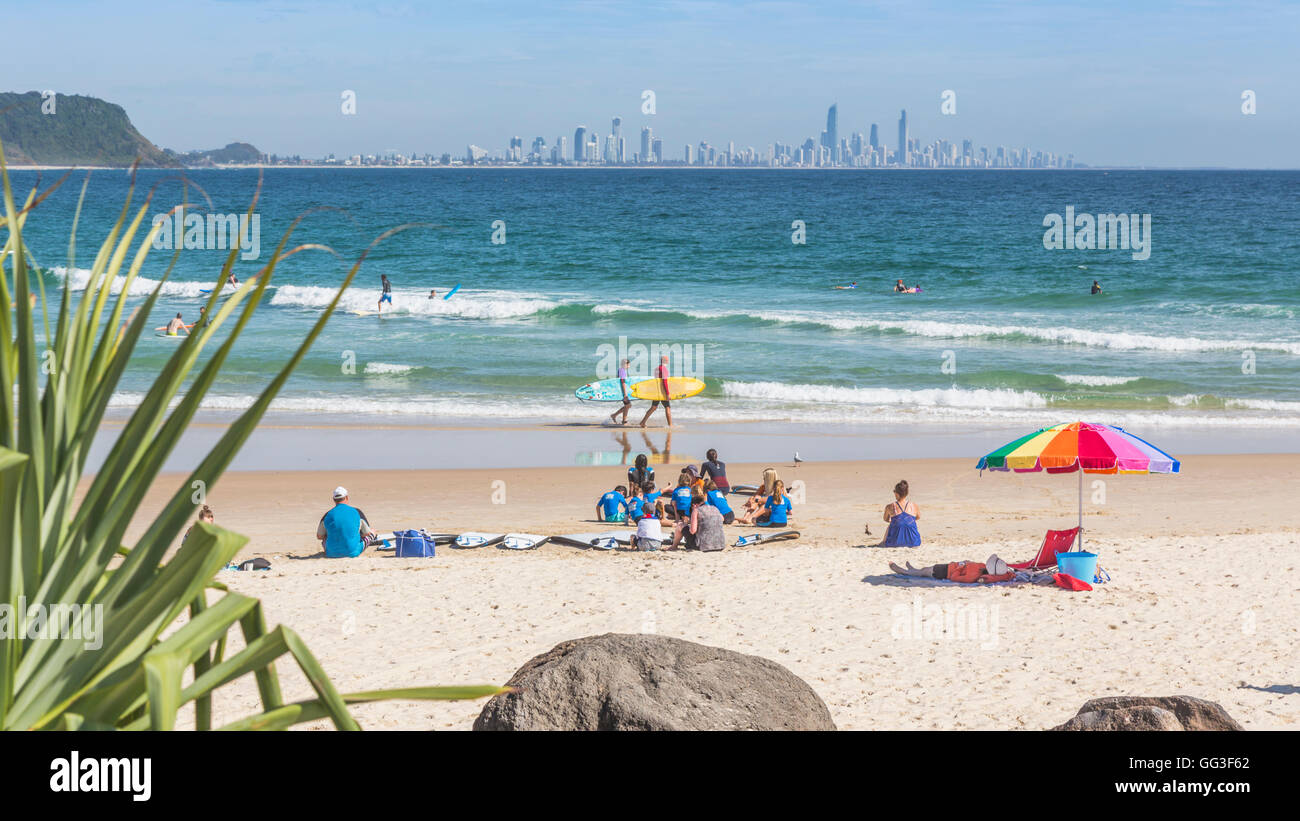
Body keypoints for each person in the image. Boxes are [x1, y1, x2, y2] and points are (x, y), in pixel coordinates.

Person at [316, 486, 374, 558]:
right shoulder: (357, 512)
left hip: (331, 553)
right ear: (347, 497)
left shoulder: (327, 515)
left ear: (334, 499)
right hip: (353, 552)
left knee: (325, 539)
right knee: (371, 533)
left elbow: (319, 536)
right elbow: (366, 533)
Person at [889, 555, 1013, 584]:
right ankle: (912, 569)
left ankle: (903, 571)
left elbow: (954, 578)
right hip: (947, 566)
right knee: (924, 569)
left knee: (923, 573)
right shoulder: (982, 566)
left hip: (944, 572)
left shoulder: (972, 577)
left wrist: (961, 567)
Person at [880, 479, 921, 547]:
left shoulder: (890, 506)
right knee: (911, 523)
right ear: (906, 493)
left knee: (891, 525)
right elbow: (918, 517)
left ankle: (884, 541)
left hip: (894, 542)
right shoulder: (914, 506)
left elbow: (885, 519)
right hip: (914, 542)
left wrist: (896, 521)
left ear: (896, 493)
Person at [639, 354, 673, 428]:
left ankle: (643, 422)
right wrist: (667, 393)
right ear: (665, 361)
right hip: (662, 391)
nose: (668, 361)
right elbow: (664, 382)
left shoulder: (657, 368)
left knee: (653, 407)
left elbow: (656, 381)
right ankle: (670, 425)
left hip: (656, 390)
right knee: (667, 407)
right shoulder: (664, 369)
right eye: (667, 360)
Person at [609, 358, 633, 425]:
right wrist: (625, 394)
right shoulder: (622, 371)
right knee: (628, 405)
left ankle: (617, 417)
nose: (629, 366)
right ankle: (621, 419)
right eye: (629, 364)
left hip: (622, 391)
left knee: (628, 405)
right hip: (623, 392)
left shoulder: (621, 370)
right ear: (626, 364)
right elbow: (622, 382)